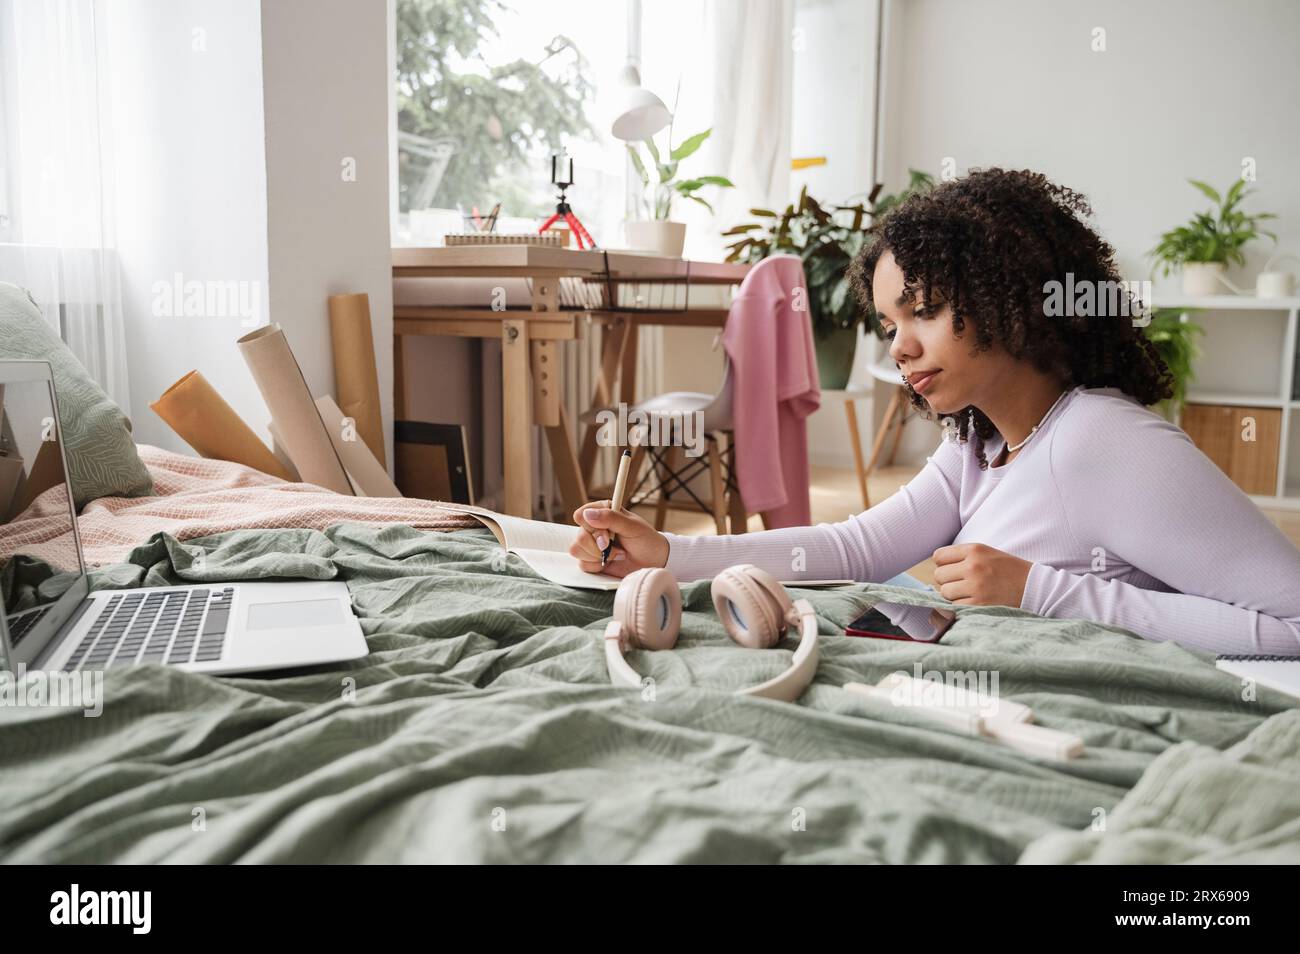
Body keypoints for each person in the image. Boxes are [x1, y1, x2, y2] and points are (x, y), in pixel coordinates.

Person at [569, 168, 1300, 656]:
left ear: (1009, 295)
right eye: (890, 327)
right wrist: (668, 552)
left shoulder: (1103, 442)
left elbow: (1292, 621)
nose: (902, 349)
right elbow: (856, 549)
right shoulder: (980, 445)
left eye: (925, 311)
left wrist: (1041, 593)